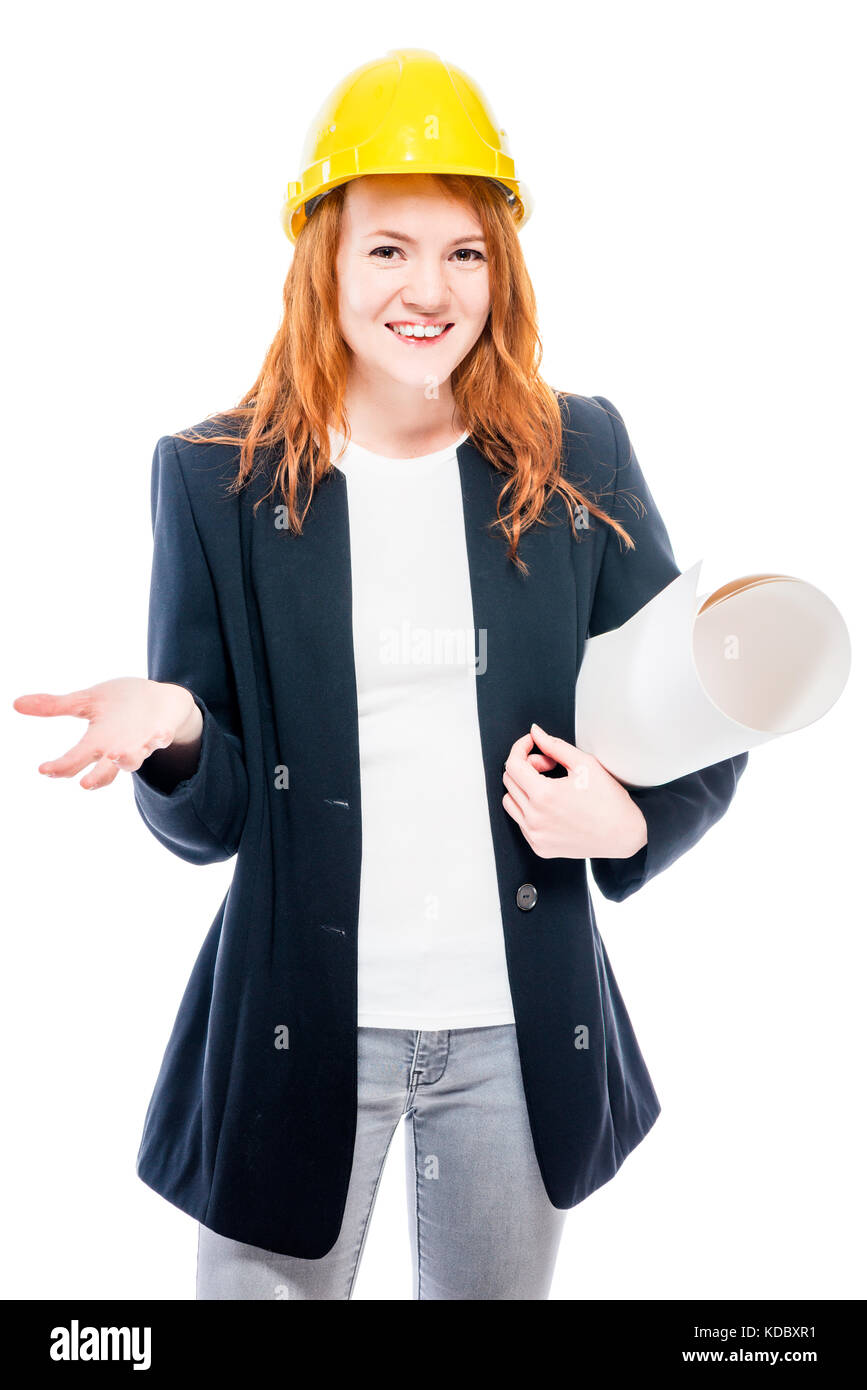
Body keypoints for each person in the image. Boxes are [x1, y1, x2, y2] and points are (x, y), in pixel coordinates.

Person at [14, 49, 748, 1300]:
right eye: (389, 248)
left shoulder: (579, 452)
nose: (429, 287)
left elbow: (693, 708)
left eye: (463, 251)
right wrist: (181, 728)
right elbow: (218, 819)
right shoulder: (216, 478)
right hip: (300, 1033)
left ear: (499, 267)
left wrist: (623, 818)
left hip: (519, 1041)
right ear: (327, 265)